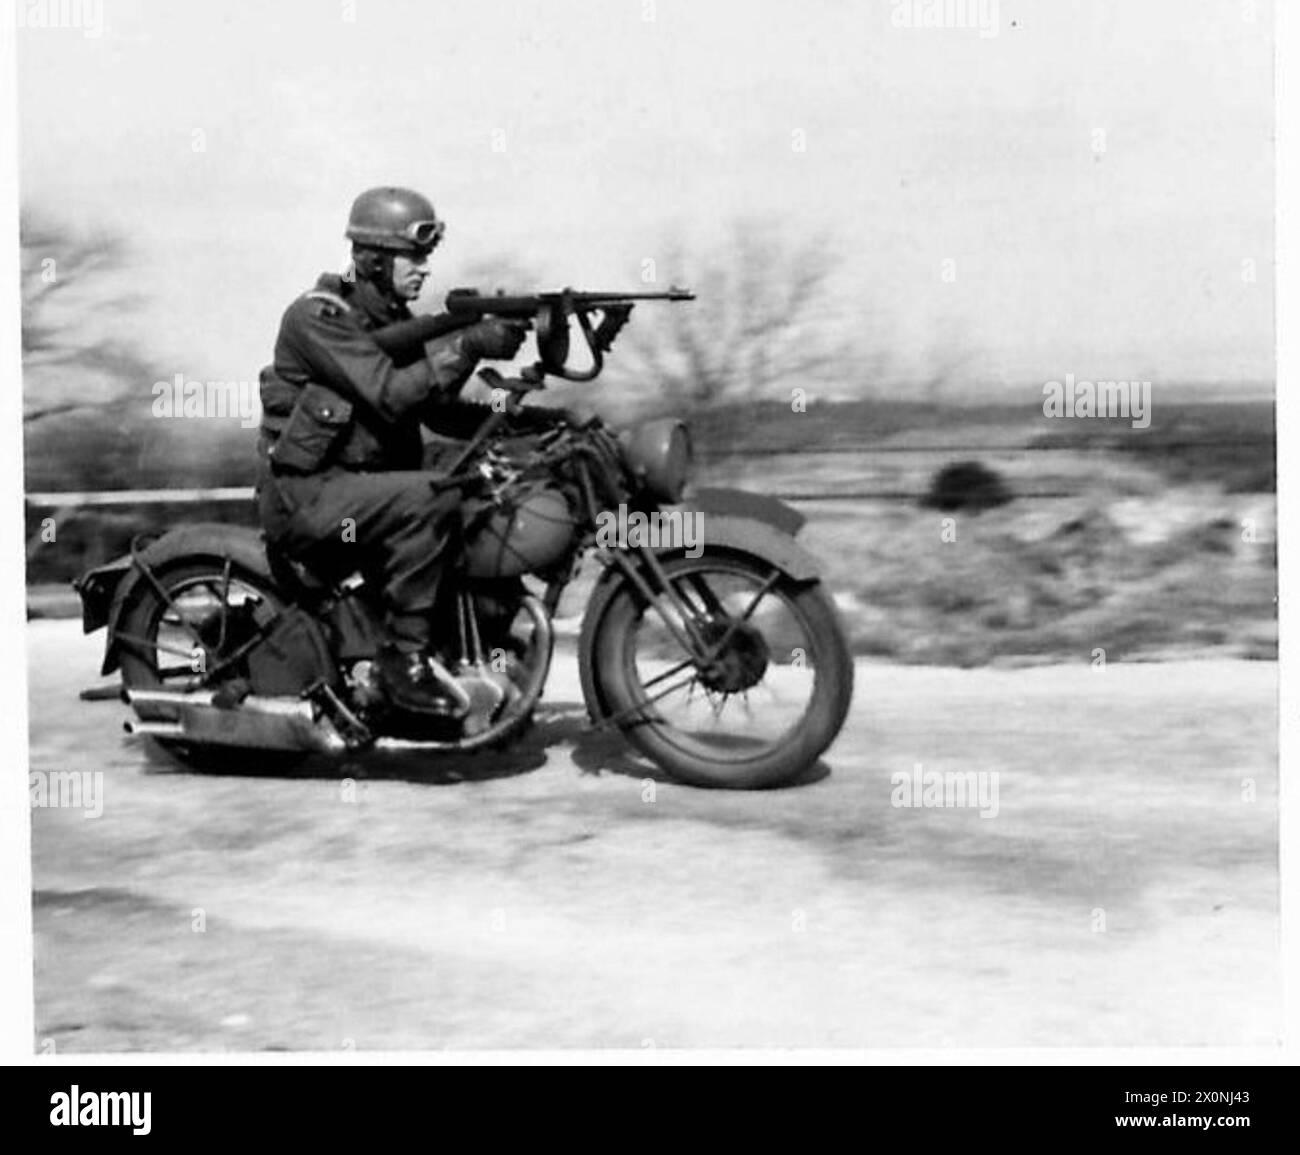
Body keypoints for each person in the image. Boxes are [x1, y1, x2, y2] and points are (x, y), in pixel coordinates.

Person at [255, 186, 526, 713]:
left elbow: (438, 409)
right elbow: (390, 393)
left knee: (471, 487)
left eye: (427, 257)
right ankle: (405, 663)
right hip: (307, 496)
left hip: (354, 491)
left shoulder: (388, 325)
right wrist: (467, 343)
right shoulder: (317, 318)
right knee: (430, 496)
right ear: (373, 259)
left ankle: (481, 632)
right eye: (414, 256)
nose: (424, 269)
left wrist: (523, 420)